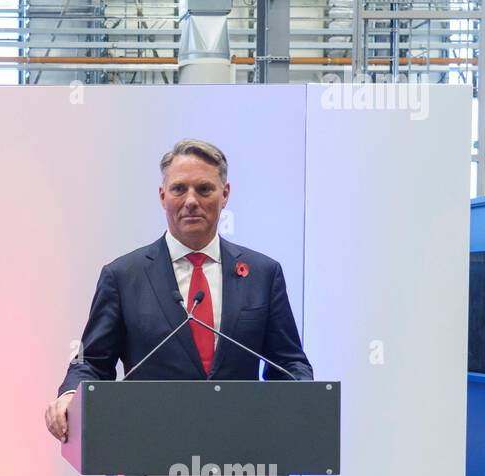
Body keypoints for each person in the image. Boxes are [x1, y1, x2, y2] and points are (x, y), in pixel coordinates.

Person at [45, 138, 310, 442]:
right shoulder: (123, 276)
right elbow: (91, 363)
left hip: (243, 453)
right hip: (150, 447)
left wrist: (303, 398)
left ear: (225, 195)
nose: (191, 201)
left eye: (204, 189)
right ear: (162, 196)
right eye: (179, 189)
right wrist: (70, 395)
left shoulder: (263, 274)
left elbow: (288, 362)